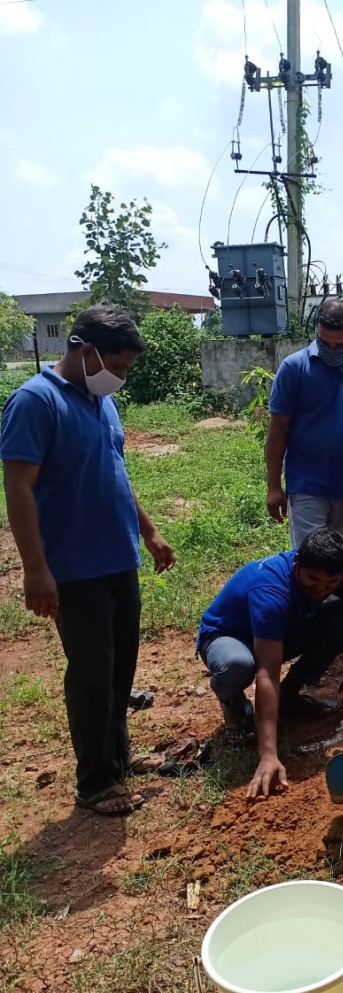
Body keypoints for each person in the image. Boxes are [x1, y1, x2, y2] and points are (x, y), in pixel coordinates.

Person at [0, 305, 175, 816]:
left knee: (120, 666)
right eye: (115, 366)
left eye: (125, 369)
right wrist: (36, 568)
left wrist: (150, 531)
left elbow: (113, 470)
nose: (119, 377)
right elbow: (18, 487)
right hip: (75, 567)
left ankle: (115, 758)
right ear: (82, 348)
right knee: (92, 672)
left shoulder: (102, 402)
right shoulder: (35, 402)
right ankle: (95, 780)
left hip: (118, 555)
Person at [197, 529, 343, 800]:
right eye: (312, 581)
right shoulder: (270, 592)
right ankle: (234, 706)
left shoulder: (334, 574)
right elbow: (267, 675)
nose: (320, 590)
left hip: (280, 631)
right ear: (297, 562)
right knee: (238, 665)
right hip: (229, 637)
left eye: (330, 584)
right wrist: (268, 755)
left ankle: (290, 695)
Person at [265, 299, 343, 561]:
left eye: (340, 345)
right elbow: (277, 430)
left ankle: (338, 605)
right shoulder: (294, 369)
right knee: (310, 561)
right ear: (317, 331)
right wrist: (274, 486)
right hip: (307, 485)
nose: (332, 350)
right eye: (325, 342)